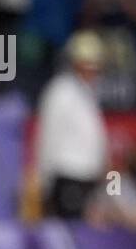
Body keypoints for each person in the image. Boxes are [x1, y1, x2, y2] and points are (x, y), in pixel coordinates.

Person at [34, 30, 108, 218]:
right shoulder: (60, 91)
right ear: (77, 62)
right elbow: (48, 138)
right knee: (71, 231)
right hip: (67, 176)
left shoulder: (88, 92)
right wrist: (44, 182)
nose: (95, 68)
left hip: (89, 178)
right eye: (90, 62)